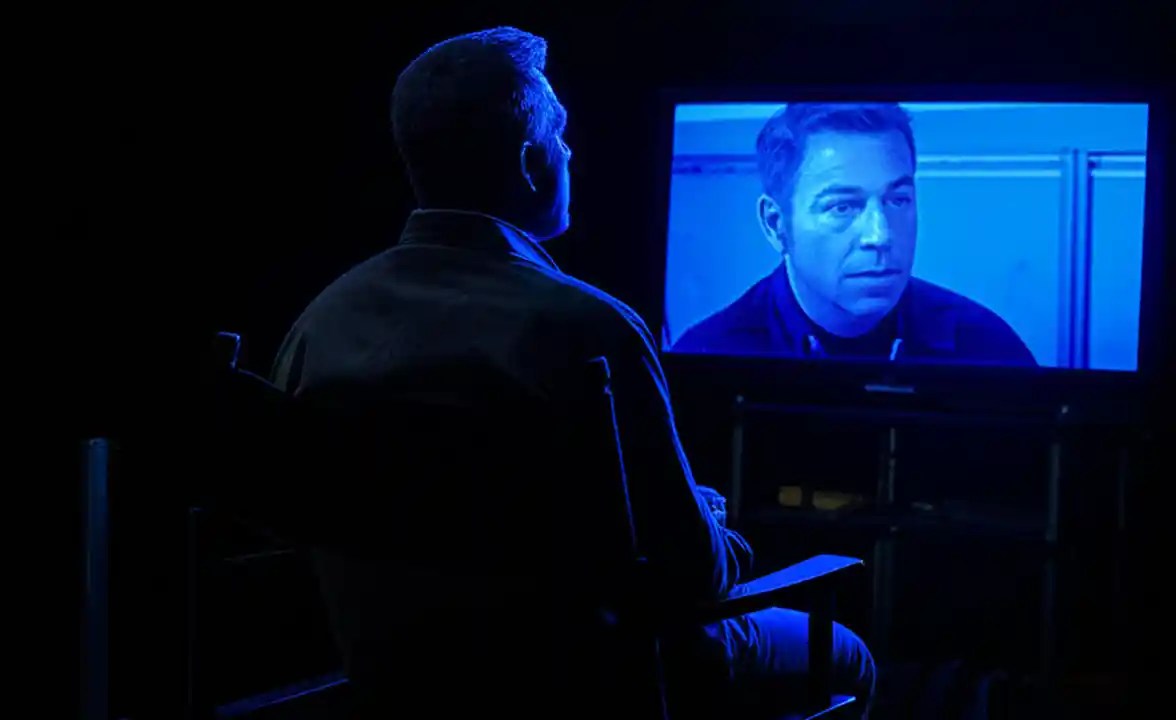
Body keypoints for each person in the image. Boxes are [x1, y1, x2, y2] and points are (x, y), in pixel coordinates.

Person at [270, 28, 874, 717]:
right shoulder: (588, 328)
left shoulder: (321, 322)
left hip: (400, 681)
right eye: (560, 136)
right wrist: (711, 519)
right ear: (532, 163)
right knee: (848, 656)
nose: (571, 152)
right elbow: (693, 575)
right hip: (598, 683)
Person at [672, 102, 1038, 366]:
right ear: (776, 224)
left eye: (898, 200)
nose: (880, 237)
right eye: (842, 207)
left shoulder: (986, 348)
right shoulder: (707, 358)